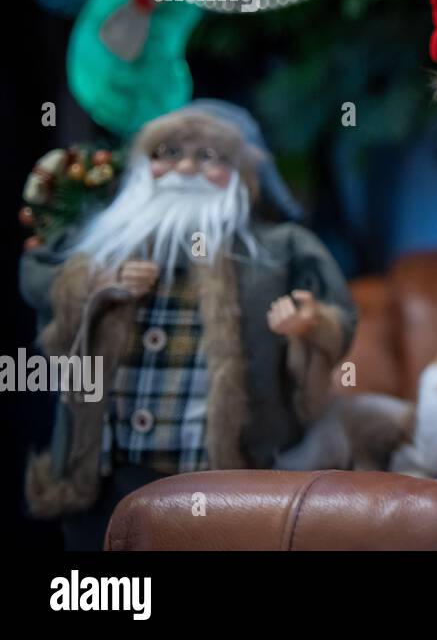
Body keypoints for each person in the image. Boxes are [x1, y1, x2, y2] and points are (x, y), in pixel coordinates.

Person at [20, 101, 356, 549]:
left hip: (224, 478)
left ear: (242, 174)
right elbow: (40, 275)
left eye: (209, 157)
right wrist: (98, 283)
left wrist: (311, 324)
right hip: (105, 475)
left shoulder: (277, 249)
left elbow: (335, 312)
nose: (185, 167)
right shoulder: (102, 243)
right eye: (168, 152)